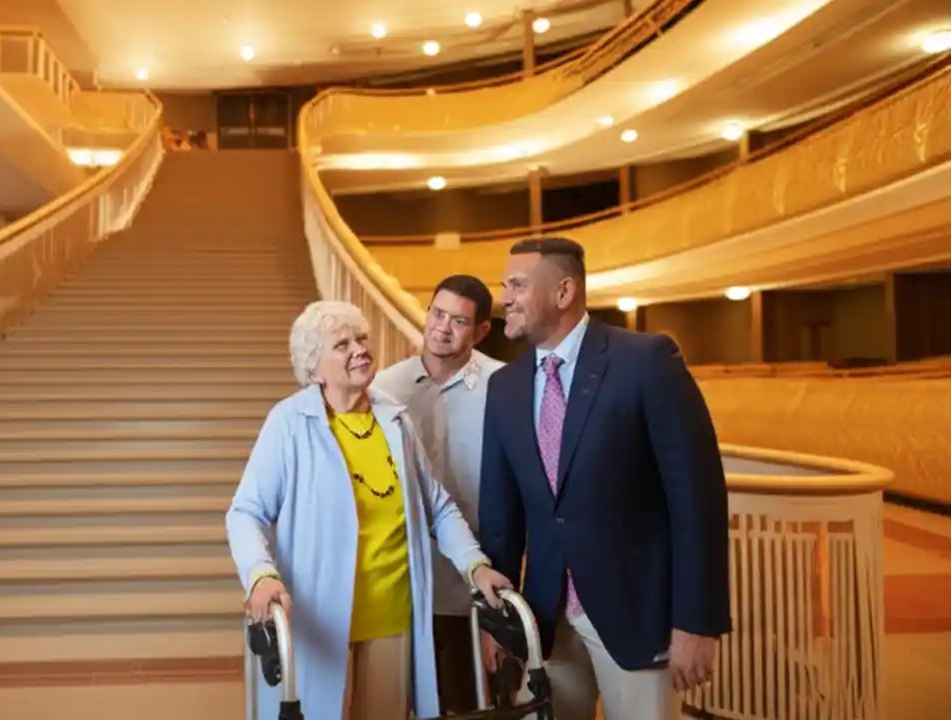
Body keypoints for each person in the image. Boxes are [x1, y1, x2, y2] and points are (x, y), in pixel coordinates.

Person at [478, 237, 731, 720]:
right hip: (546, 624)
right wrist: (500, 621)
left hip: (638, 618)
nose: (505, 297)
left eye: (517, 285)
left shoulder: (647, 361)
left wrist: (698, 621)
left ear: (564, 291)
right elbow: (500, 516)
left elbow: (697, 500)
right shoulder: (504, 387)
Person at [226, 300, 514, 720]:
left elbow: (438, 506)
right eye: (341, 344)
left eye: (361, 338)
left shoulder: (394, 419)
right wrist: (259, 574)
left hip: (392, 618)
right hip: (320, 621)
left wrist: (476, 565)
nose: (359, 349)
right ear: (314, 368)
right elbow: (245, 512)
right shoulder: (289, 422)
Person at [372, 275, 505, 715]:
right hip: (406, 586)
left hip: (475, 584)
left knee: (475, 706)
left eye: (460, 321)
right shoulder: (384, 390)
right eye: (437, 313)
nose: (442, 328)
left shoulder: (504, 387)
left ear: (482, 330)